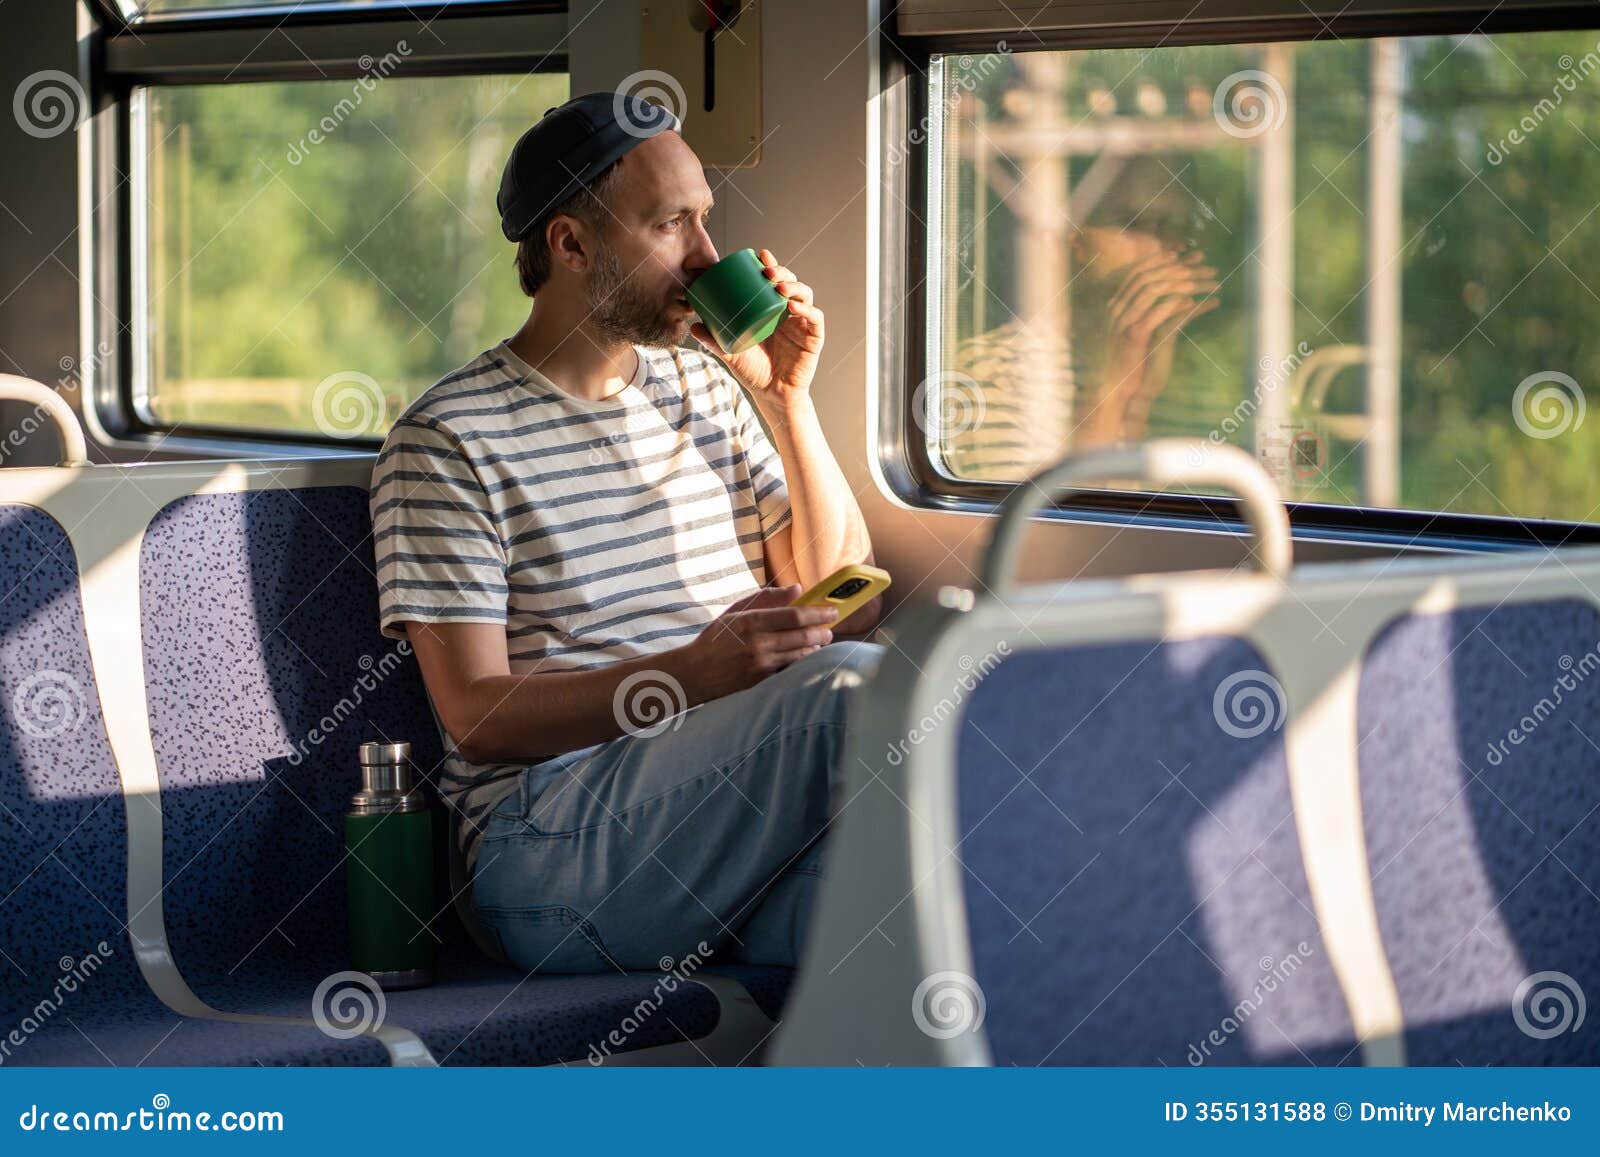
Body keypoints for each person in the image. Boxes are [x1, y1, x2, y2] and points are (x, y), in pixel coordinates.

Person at [368, 92, 884, 973]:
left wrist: (786, 399)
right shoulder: (448, 438)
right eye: (671, 224)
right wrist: (689, 674)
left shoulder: (704, 388)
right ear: (571, 245)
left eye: (705, 221)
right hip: (546, 847)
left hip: (712, 821)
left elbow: (842, 596)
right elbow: (477, 714)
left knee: (933, 907)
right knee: (848, 694)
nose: (708, 259)